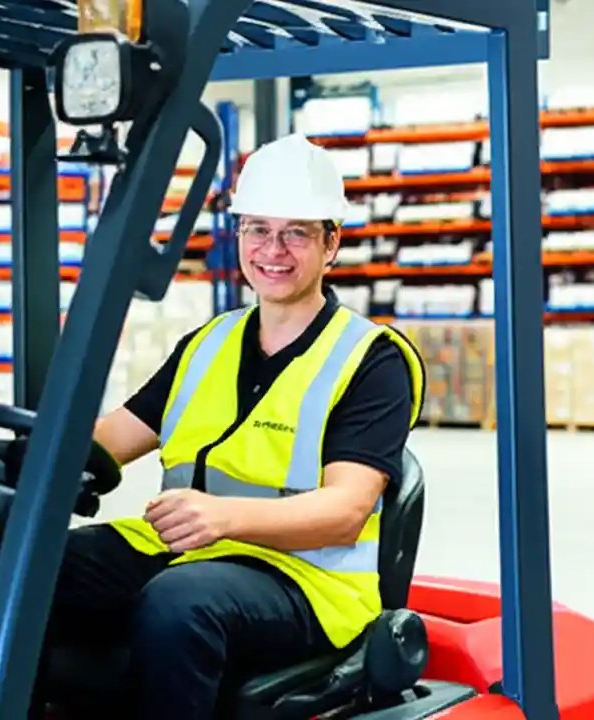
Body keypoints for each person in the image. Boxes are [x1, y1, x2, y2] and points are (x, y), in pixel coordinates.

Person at [39, 134, 426, 719]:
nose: (273, 249)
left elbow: (345, 512)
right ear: (239, 236)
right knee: (34, 565)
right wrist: (20, 450)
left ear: (332, 244)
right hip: (185, 550)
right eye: (258, 229)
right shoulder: (208, 343)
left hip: (305, 581)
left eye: (295, 232)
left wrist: (223, 517)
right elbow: (112, 439)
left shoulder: (371, 359)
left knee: (179, 603)